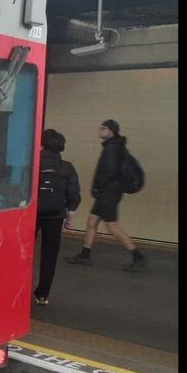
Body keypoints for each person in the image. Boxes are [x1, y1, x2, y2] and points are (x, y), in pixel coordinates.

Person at [66, 119, 147, 272]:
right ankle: (85, 255)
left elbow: (109, 172)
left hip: (108, 193)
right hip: (108, 192)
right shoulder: (114, 146)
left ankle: (138, 256)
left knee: (112, 225)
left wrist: (98, 187)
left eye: (103, 128)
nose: (100, 131)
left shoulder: (112, 148)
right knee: (92, 221)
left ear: (111, 131)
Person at [33, 129, 80, 305]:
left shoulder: (34, 162)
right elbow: (73, 194)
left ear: (42, 143)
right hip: (55, 216)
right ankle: (42, 294)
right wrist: (70, 216)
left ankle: (17, 288)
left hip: (32, 214)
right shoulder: (67, 167)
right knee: (49, 254)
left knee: (25, 252)